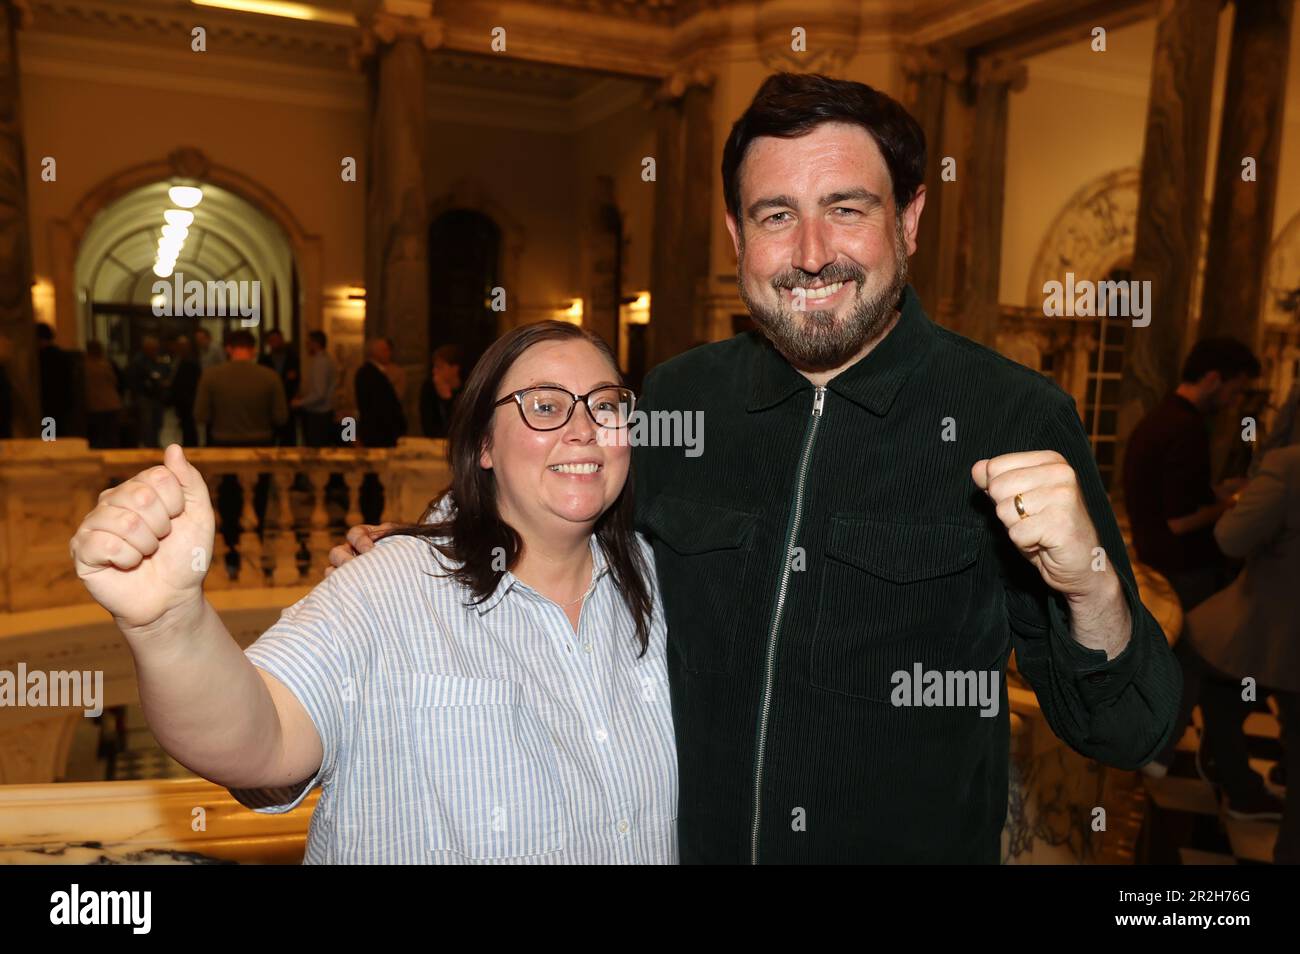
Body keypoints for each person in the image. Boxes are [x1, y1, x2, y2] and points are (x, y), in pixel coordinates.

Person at [334, 72, 1181, 864]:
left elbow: (1130, 731)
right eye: (776, 216)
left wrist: (1093, 585)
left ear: (910, 219)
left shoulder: (1015, 416)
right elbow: (562, 531)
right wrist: (426, 554)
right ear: (738, 233)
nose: (812, 253)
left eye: (846, 208)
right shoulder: (679, 395)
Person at [68, 320, 676, 864]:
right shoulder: (389, 589)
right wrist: (171, 624)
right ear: (484, 445)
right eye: (544, 406)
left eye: (605, 406)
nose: (583, 430)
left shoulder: (663, 585)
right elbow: (259, 739)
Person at [1123, 339, 1282, 818]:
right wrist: (1232, 504)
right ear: (1214, 378)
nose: (1235, 400)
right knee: (1192, 666)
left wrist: (1216, 494)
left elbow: (1175, 499)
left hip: (1159, 561)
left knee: (1195, 667)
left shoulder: (1159, 419)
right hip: (1184, 567)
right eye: (1234, 388)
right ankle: (1154, 756)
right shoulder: (1188, 429)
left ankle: (1206, 763)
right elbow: (1179, 520)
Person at [1182, 440, 1300, 863]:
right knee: (1225, 695)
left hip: (1277, 634)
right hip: (1271, 641)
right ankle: (1237, 784)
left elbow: (1231, 538)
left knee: (1204, 666)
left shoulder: (1288, 466)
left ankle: (1167, 754)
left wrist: (1237, 500)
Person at [355, 337, 408, 523]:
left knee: (380, 482)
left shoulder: (387, 373)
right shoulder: (366, 374)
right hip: (375, 436)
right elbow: (368, 408)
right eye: (384, 350)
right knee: (372, 482)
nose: (387, 354)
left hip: (382, 435)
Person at [294, 331, 338, 448]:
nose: (306, 347)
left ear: (316, 344)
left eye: (308, 343)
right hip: (321, 414)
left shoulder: (321, 363)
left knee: (316, 451)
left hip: (318, 416)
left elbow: (319, 393)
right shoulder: (324, 360)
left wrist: (299, 403)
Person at [125, 334, 170, 448]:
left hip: (156, 397)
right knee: (147, 425)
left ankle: (154, 443)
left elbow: (162, 373)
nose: (155, 350)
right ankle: (149, 446)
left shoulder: (157, 359)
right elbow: (137, 380)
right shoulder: (138, 361)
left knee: (157, 423)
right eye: (153, 348)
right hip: (145, 397)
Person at [259, 329, 300, 446]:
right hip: (268, 403)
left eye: (277, 339)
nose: (275, 342)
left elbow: (297, 379)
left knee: (288, 438)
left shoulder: (292, 358)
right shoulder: (264, 360)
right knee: (269, 438)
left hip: (288, 402)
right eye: (272, 340)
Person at [83, 340, 123, 449]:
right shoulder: (106, 365)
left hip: (94, 405)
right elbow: (116, 382)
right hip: (111, 404)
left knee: (98, 438)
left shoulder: (84, 366)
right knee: (111, 437)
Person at [420, 344, 463, 439]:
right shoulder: (429, 388)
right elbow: (429, 427)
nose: (434, 371)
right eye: (434, 366)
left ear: (454, 369)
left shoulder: (467, 388)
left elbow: (461, 427)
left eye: (439, 367)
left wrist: (448, 400)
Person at [169, 336, 201, 448]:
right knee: (185, 426)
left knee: (189, 427)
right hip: (182, 400)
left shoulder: (191, 362)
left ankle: (191, 447)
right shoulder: (179, 360)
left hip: (188, 400)